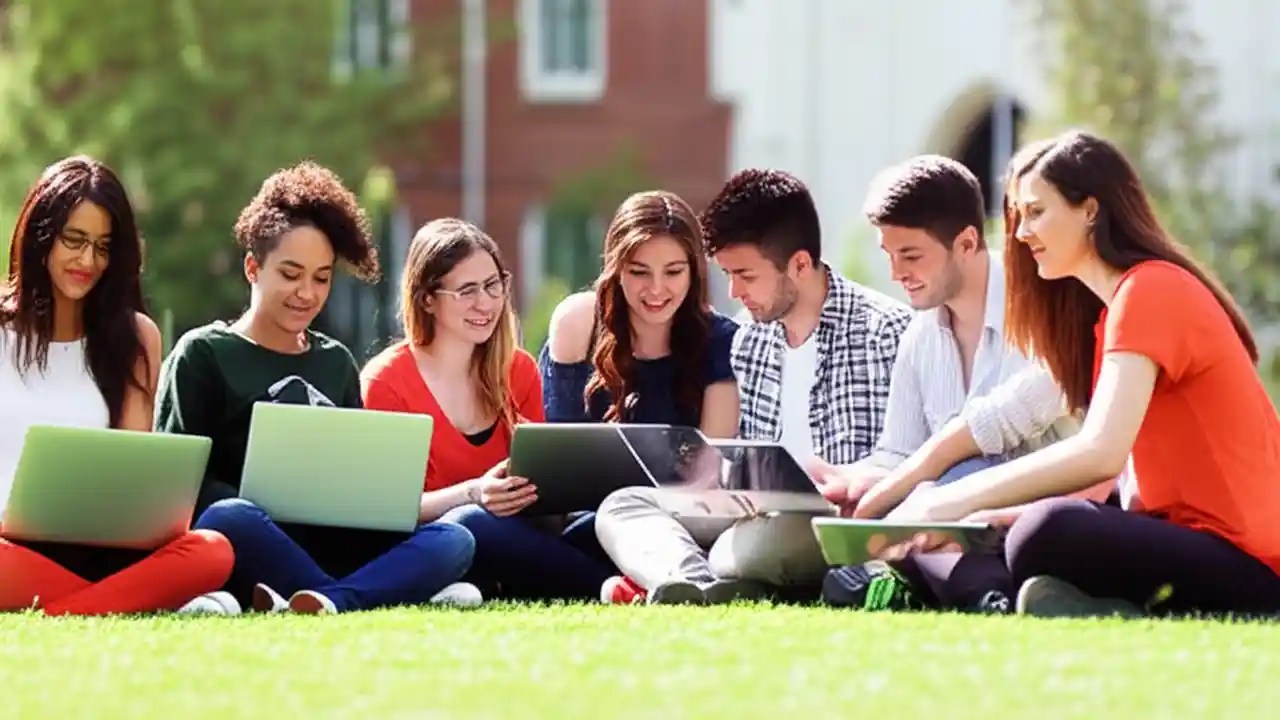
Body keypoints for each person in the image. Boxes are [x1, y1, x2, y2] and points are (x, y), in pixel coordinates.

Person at [875, 130, 1280, 619]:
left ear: (1090, 210)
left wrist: (952, 502)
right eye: (1019, 216)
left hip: (1248, 560)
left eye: (1036, 212)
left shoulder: (1152, 289)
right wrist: (982, 516)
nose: (1021, 233)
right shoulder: (1111, 315)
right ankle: (1033, 600)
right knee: (984, 530)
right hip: (1178, 537)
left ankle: (1036, 596)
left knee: (1044, 528)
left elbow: (1099, 454)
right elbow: (1110, 486)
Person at [161, 161, 475, 614]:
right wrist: (257, 501)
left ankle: (327, 598)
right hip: (250, 538)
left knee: (454, 538)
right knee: (229, 516)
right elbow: (179, 488)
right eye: (290, 274)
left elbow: (353, 479)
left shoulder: (335, 362)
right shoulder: (203, 354)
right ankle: (370, 592)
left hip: (331, 538)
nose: (306, 293)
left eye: (321, 278)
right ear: (253, 268)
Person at [595, 169, 913, 604]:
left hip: (839, 520)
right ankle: (698, 586)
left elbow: (907, 456)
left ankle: (699, 577)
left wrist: (849, 484)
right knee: (622, 506)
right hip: (756, 514)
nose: (733, 291)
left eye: (745, 275)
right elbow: (744, 457)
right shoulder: (748, 339)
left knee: (754, 547)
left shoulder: (886, 332)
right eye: (727, 273)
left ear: (799, 265)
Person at [808, 156, 1096, 609]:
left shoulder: (1047, 302)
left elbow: (994, 428)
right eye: (889, 255)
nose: (896, 273)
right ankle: (989, 596)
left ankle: (972, 589)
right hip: (953, 519)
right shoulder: (921, 335)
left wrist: (901, 492)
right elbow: (898, 453)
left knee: (947, 485)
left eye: (911, 256)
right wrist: (854, 480)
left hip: (1046, 510)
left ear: (966, 243)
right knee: (918, 507)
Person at [0, 156, 234, 616]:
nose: (88, 261)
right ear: (40, 236)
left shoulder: (136, 339)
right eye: (74, 240)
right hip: (8, 546)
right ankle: (132, 600)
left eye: (103, 247)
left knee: (214, 550)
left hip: (102, 548)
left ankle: (64, 610)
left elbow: (131, 477)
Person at [362, 218, 615, 601]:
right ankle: (612, 589)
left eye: (493, 285)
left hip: (521, 539)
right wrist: (474, 493)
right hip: (437, 546)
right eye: (466, 291)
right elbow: (387, 508)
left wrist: (552, 487)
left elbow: (544, 501)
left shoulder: (518, 369)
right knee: (470, 523)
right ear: (427, 298)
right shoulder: (386, 382)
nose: (485, 303)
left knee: (603, 521)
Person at [541, 190, 739, 434]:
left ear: (694, 272)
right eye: (639, 272)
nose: (656, 289)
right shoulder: (578, 323)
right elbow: (560, 444)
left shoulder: (723, 342)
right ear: (616, 271)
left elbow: (713, 454)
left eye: (673, 272)